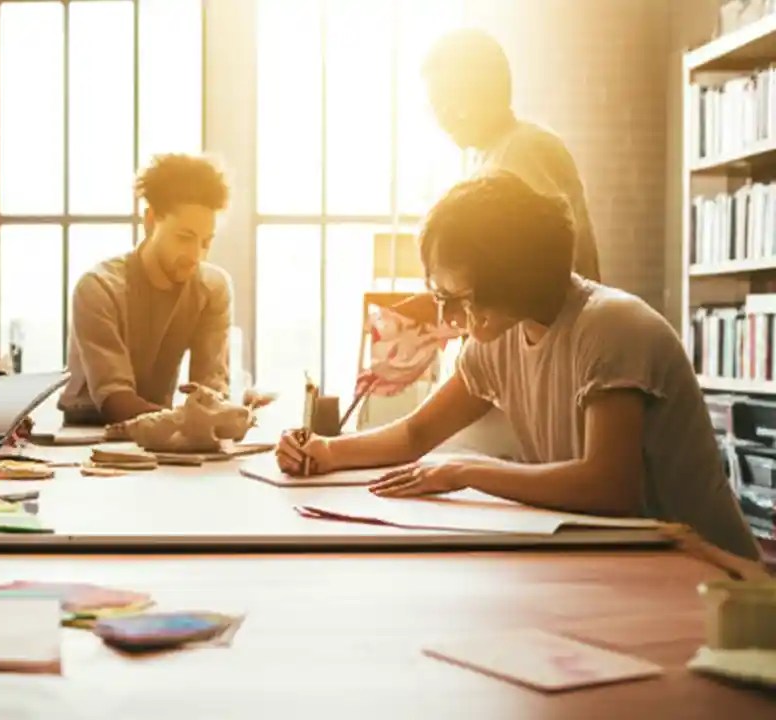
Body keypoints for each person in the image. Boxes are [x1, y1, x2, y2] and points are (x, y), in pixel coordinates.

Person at [277, 171, 761, 561]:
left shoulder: (610, 326)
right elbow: (416, 434)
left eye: (460, 298)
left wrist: (466, 472)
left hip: (709, 572)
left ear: (510, 276)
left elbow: (609, 486)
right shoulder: (500, 335)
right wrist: (325, 451)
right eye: (442, 297)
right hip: (627, 556)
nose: (449, 317)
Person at [58, 153, 233, 425]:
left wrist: (228, 412)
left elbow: (212, 391)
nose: (196, 255)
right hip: (88, 427)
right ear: (150, 221)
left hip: (161, 428)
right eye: (184, 237)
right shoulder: (99, 288)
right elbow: (115, 401)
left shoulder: (212, 289)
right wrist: (190, 421)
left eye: (205, 242)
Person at [423, 27, 601, 281]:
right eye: (436, 105)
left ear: (489, 91)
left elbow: (539, 270)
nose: (444, 117)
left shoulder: (522, 151)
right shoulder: (491, 153)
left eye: (452, 101)